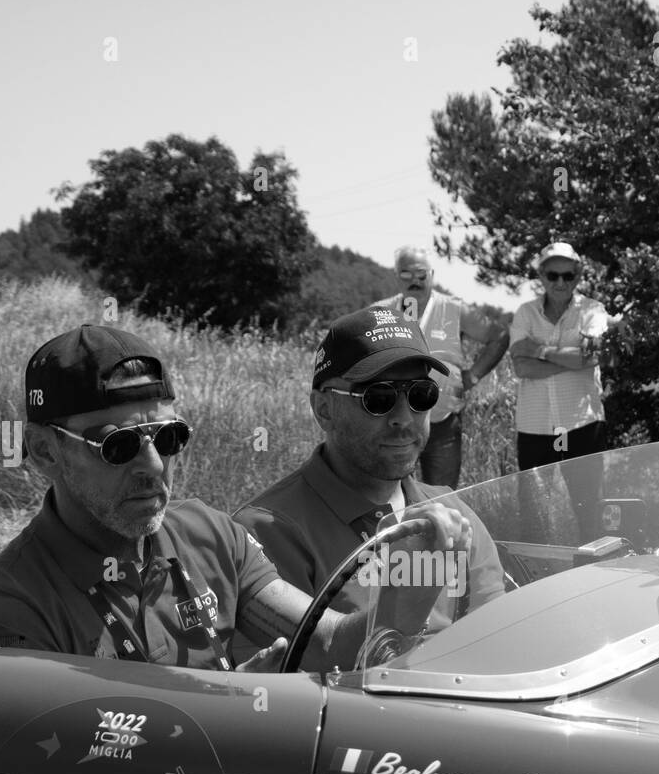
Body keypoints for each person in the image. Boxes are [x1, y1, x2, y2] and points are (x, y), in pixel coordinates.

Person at [0, 323, 470, 672]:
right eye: (119, 444)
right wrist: (222, 713)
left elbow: (331, 644)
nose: (153, 467)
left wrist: (406, 597)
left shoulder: (210, 535)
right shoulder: (8, 611)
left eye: (168, 438)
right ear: (43, 452)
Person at [234, 310, 505, 645]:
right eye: (378, 398)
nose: (404, 418)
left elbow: (497, 639)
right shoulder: (266, 532)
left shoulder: (454, 513)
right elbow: (284, 679)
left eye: (422, 395)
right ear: (324, 409)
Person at [371, 245, 508, 488]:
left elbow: (498, 335)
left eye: (421, 274)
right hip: (395, 421)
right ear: (396, 277)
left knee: (442, 497)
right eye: (406, 275)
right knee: (393, 496)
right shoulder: (380, 312)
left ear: (433, 274)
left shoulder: (454, 308)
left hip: (442, 420)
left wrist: (473, 376)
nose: (415, 281)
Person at [508, 242, 612, 541]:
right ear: (541, 276)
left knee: (589, 506)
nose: (560, 283)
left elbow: (591, 357)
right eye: (553, 275)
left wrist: (539, 349)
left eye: (568, 275)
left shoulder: (593, 310)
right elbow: (521, 367)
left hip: (583, 424)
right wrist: (572, 359)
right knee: (534, 510)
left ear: (578, 276)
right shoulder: (525, 312)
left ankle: (591, 574)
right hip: (534, 426)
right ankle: (538, 579)